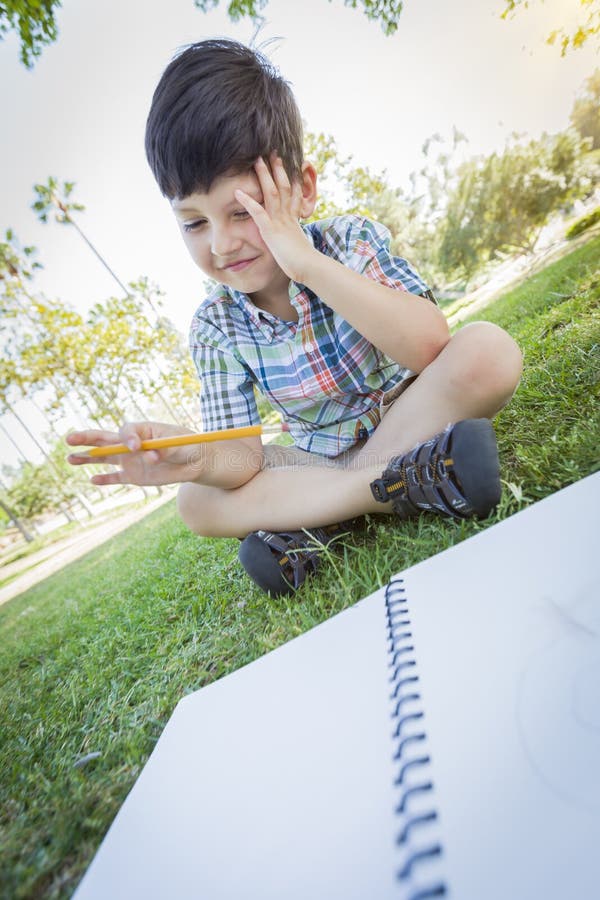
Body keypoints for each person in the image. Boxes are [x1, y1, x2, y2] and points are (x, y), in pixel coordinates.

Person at [67, 39, 523, 597]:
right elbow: (241, 460)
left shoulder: (349, 240)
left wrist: (306, 264)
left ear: (302, 189)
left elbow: (431, 345)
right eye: (193, 223)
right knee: (197, 501)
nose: (222, 243)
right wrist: (188, 453)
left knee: (487, 351)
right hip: (316, 457)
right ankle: (400, 482)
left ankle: (319, 515)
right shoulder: (216, 326)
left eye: (242, 211)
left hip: (409, 412)